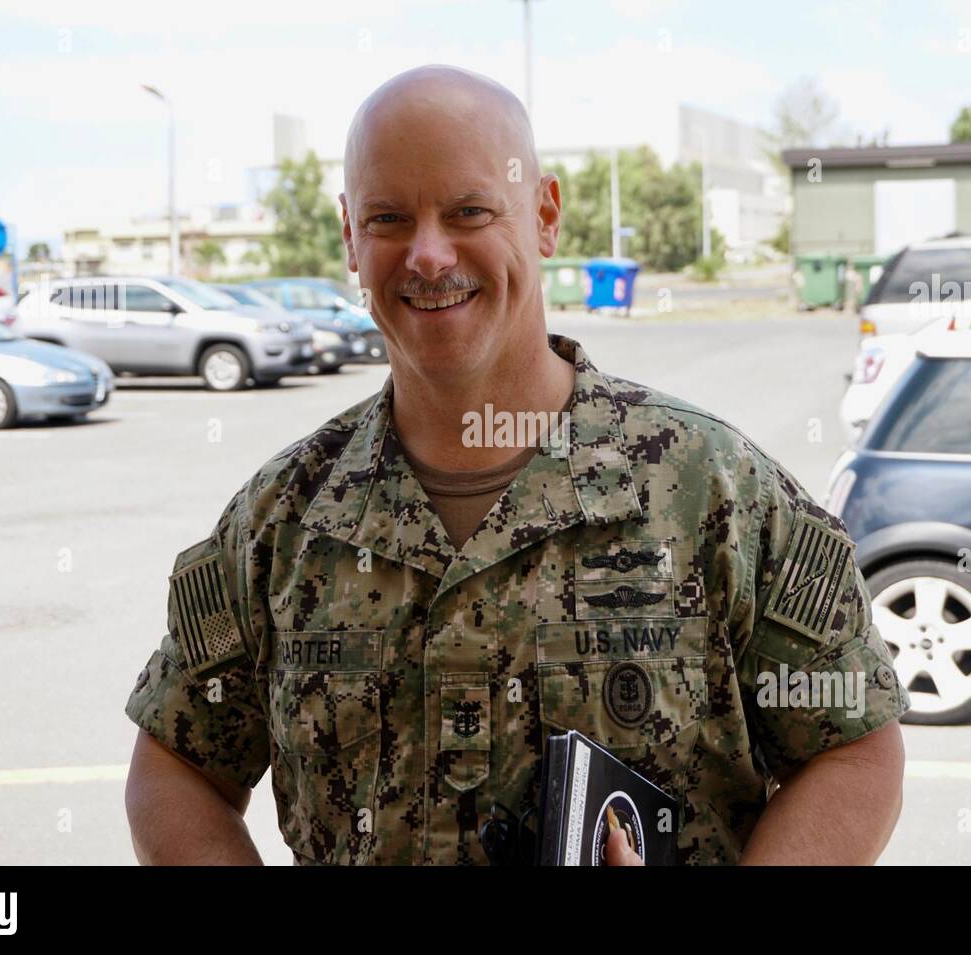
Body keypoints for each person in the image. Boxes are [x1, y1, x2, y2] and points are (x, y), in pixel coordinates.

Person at [124, 65, 908, 866]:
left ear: (544, 216)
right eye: (389, 217)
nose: (428, 255)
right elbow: (178, 766)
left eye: (469, 211)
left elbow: (851, 747)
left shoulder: (714, 487)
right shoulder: (282, 519)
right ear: (351, 238)